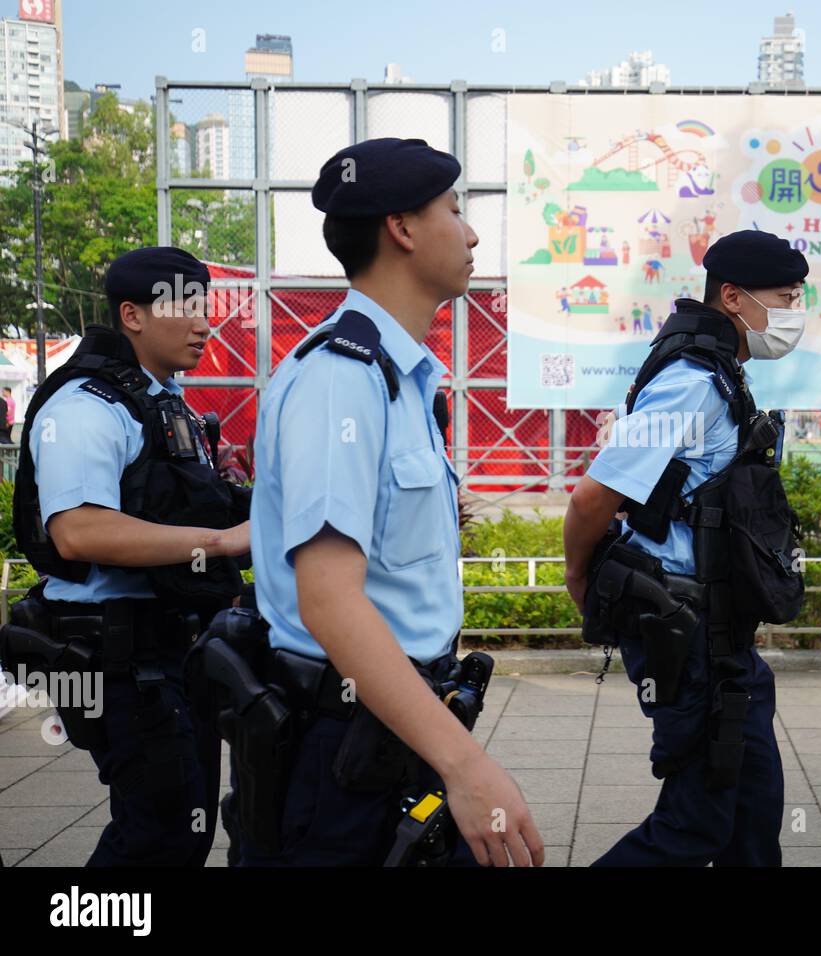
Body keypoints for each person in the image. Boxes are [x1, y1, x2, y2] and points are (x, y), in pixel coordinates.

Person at [231, 137, 542, 866]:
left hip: (396, 726)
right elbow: (331, 602)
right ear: (401, 228)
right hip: (346, 750)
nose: (468, 233)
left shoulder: (398, 378)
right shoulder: (343, 380)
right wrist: (468, 766)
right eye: (453, 210)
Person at [564, 229, 806, 866]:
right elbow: (594, 496)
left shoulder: (719, 370)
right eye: (785, 297)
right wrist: (576, 577)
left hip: (722, 631)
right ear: (732, 297)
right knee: (696, 821)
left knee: (752, 810)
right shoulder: (693, 380)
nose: (795, 311)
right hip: (686, 626)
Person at [3, 246, 250, 866]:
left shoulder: (163, 401)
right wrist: (224, 542)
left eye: (206, 306)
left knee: (181, 831)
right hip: (114, 657)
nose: (203, 322)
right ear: (132, 316)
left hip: (173, 649)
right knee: (157, 832)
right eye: (184, 306)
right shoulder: (87, 405)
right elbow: (80, 532)